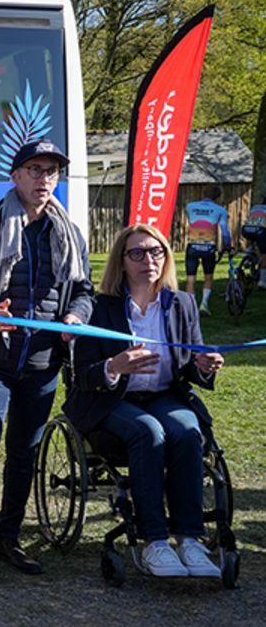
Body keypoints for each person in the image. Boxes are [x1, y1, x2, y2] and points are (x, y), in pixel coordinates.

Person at [0, 139, 93, 596]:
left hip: (43, 364)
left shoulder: (70, 233)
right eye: (35, 169)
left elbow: (83, 291)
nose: (44, 179)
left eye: (52, 171)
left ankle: (7, 537)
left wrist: (75, 317)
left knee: (24, 456)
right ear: (15, 175)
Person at [65, 223, 224, 577]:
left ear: (166, 257)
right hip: (111, 399)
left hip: (164, 394)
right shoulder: (99, 308)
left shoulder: (181, 303)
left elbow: (190, 363)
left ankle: (190, 539)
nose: (148, 260)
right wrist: (114, 366)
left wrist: (203, 365)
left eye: (155, 252)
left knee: (187, 431)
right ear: (121, 261)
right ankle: (154, 541)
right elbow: (83, 375)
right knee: (148, 432)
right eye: (136, 253)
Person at [182, 185, 231, 315]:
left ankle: (190, 308)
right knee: (208, 276)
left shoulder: (190, 206)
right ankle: (204, 304)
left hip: (192, 246)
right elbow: (225, 231)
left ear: (204, 193)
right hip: (209, 247)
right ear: (218, 197)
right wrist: (227, 246)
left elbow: (192, 220)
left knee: (190, 278)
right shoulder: (221, 210)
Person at [240, 203, 266, 288]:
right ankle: (262, 281)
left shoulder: (255, 207)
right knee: (264, 255)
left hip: (246, 229)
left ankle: (249, 254)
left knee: (252, 237)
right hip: (260, 231)